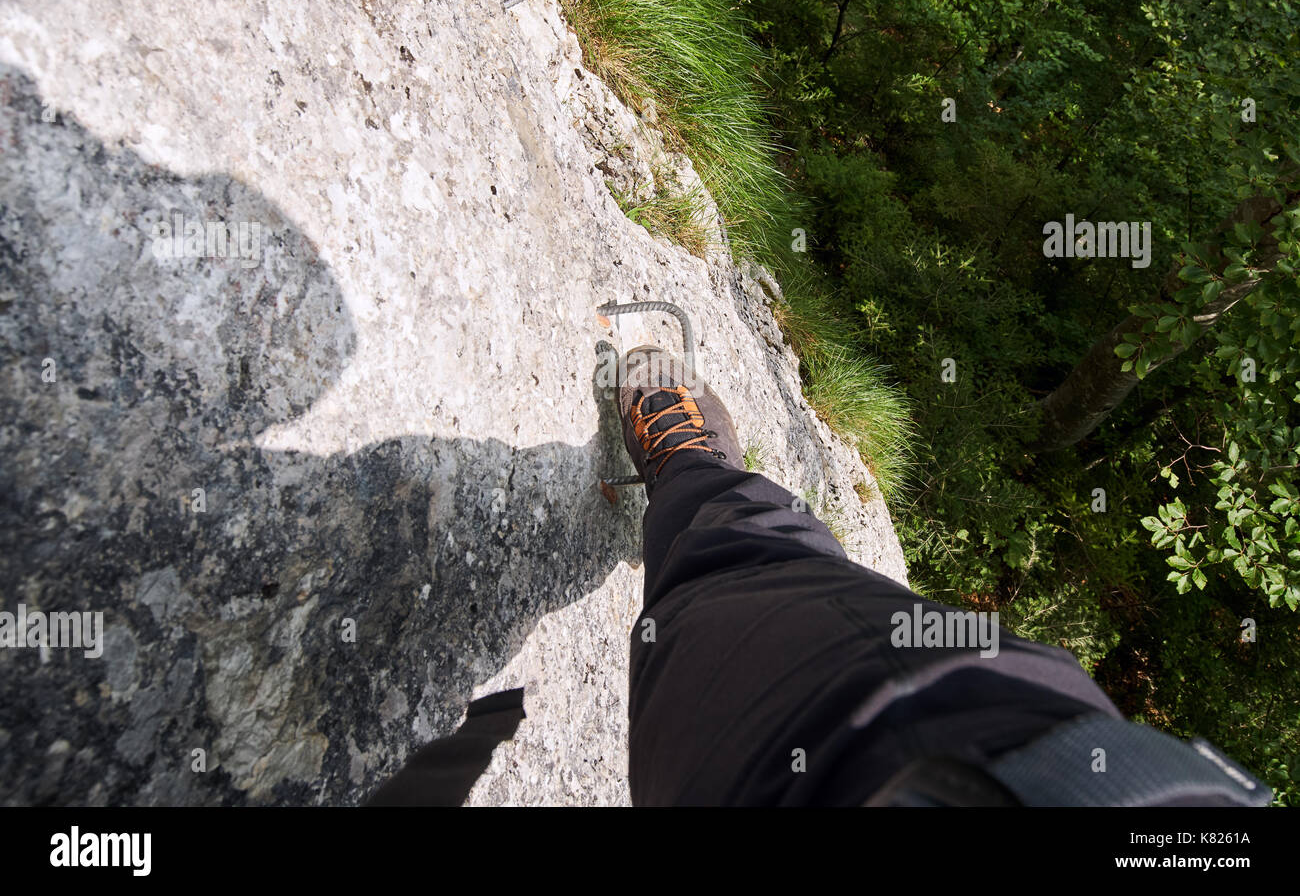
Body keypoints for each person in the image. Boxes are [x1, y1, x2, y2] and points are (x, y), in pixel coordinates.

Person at [368, 347, 1271, 806]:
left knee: (754, 587)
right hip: (1067, 746)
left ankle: (694, 480)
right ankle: (701, 492)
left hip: (911, 753)